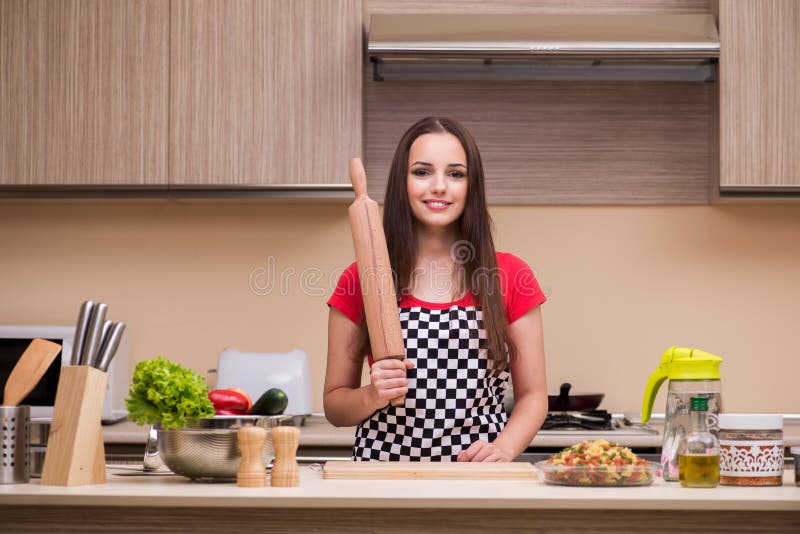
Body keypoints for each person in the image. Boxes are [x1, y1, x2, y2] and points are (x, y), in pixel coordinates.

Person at [324, 117, 547, 462]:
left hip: (476, 481)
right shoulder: (360, 278)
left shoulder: (509, 275)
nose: (439, 186)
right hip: (381, 478)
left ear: (472, 186)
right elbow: (335, 406)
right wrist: (372, 395)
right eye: (422, 172)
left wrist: (503, 448)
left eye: (455, 174)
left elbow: (533, 396)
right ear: (402, 182)